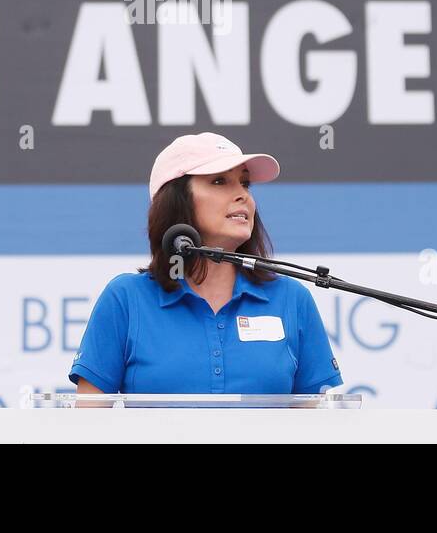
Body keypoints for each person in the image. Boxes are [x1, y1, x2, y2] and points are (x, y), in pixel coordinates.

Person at [69, 132, 343, 395]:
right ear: (176, 201)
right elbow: (87, 427)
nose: (242, 195)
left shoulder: (292, 299)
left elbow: (315, 427)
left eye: (245, 183)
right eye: (219, 181)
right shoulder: (126, 299)